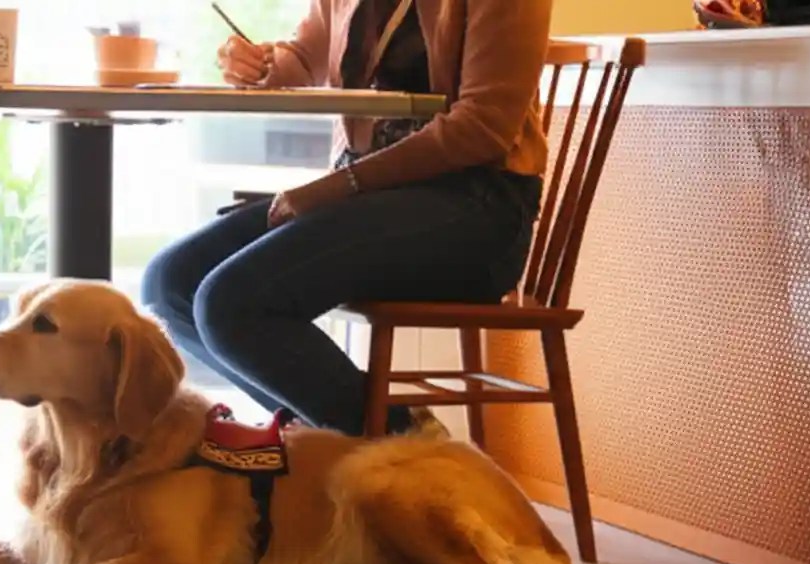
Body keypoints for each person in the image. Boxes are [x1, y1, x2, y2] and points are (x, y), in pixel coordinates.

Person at [141, 0, 551, 437]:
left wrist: (338, 186)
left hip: (478, 209)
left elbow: (484, 127)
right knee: (169, 284)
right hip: (369, 198)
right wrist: (257, 64)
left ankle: (400, 448)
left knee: (230, 302)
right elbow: (302, 57)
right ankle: (361, 436)